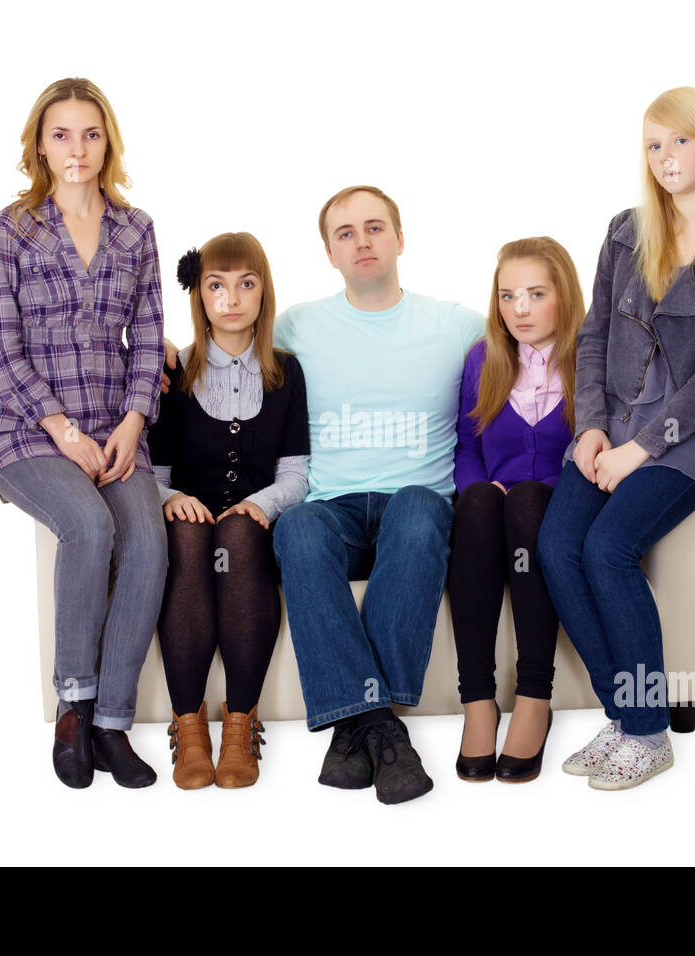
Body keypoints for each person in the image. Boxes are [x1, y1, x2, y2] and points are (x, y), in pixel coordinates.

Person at [538, 86, 695, 791]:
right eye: (654, 145)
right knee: (557, 548)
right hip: (610, 428)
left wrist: (639, 449)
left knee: (608, 547)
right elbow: (591, 339)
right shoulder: (625, 230)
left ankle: (648, 732)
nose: (666, 157)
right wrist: (590, 427)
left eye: (679, 140)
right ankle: (628, 716)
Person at [269, 186, 485, 805]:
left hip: (415, 511)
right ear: (330, 252)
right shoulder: (296, 327)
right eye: (345, 233)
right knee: (298, 526)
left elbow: (537, 357)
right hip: (332, 511)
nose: (361, 241)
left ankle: (353, 727)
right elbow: (225, 353)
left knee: (420, 506)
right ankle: (380, 726)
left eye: (374, 228)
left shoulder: (456, 324)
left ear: (399, 238)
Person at [0, 78, 166, 790]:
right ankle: (75, 704)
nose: (77, 149)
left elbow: (148, 336)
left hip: (117, 425)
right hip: (29, 429)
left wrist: (132, 420)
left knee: (148, 545)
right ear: (39, 143)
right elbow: (0, 346)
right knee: (89, 526)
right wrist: (61, 427)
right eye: (61, 134)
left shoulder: (136, 228)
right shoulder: (11, 229)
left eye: (90, 134)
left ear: (108, 141)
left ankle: (113, 725)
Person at [146, 232, 309, 789]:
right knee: (190, 538)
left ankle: (240, 722)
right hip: (188, 520)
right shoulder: (174, 372)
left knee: (237, 536)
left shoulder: (287, 373)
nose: (232, 298)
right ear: (200, 296)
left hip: (254, 526)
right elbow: (155, 476)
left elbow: (295, 474)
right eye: (217, 285)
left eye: (246, 284)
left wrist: (257, 505)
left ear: (264, 292)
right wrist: (174, 500)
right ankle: (188, 726)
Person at [450, 238, 581, 783]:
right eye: (508, 296)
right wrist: (484, 486)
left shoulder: (589, 357)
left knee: (529, 499)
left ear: (564, 297)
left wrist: (541, 488)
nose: (519, 309)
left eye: (535, 294)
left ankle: (534, 698)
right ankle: (478, 701)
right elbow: (466, 446)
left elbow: (606, 442)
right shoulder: (484, 357)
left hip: (561, 512)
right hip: (493, 522)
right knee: (480, 498)